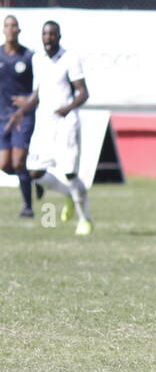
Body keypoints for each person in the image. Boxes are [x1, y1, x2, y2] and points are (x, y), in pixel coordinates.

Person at [5, 21, 92, 235]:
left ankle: (84, 220)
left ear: (59, 36)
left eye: (52, 34)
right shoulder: (38, 59)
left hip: (66, 123)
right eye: (45, 34)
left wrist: (67, 108)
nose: (48, 38)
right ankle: (70, 196)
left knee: (70, 173)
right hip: (44, 123)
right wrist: (23, 109)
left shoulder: (70, 58)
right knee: (35, 172)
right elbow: (38, 93)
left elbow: (83, 93)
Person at [0, 15, 36, 217]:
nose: (11, 29)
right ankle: (33, 180)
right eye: (7, 25)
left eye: (14, 25)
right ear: (3, 30)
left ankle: (27, 207)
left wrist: (29, 100)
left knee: (18, 161)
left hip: (22, 117)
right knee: (4, 165)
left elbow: (42, 85)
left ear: (19, 30)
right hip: (2, 116)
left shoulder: (28, 56)